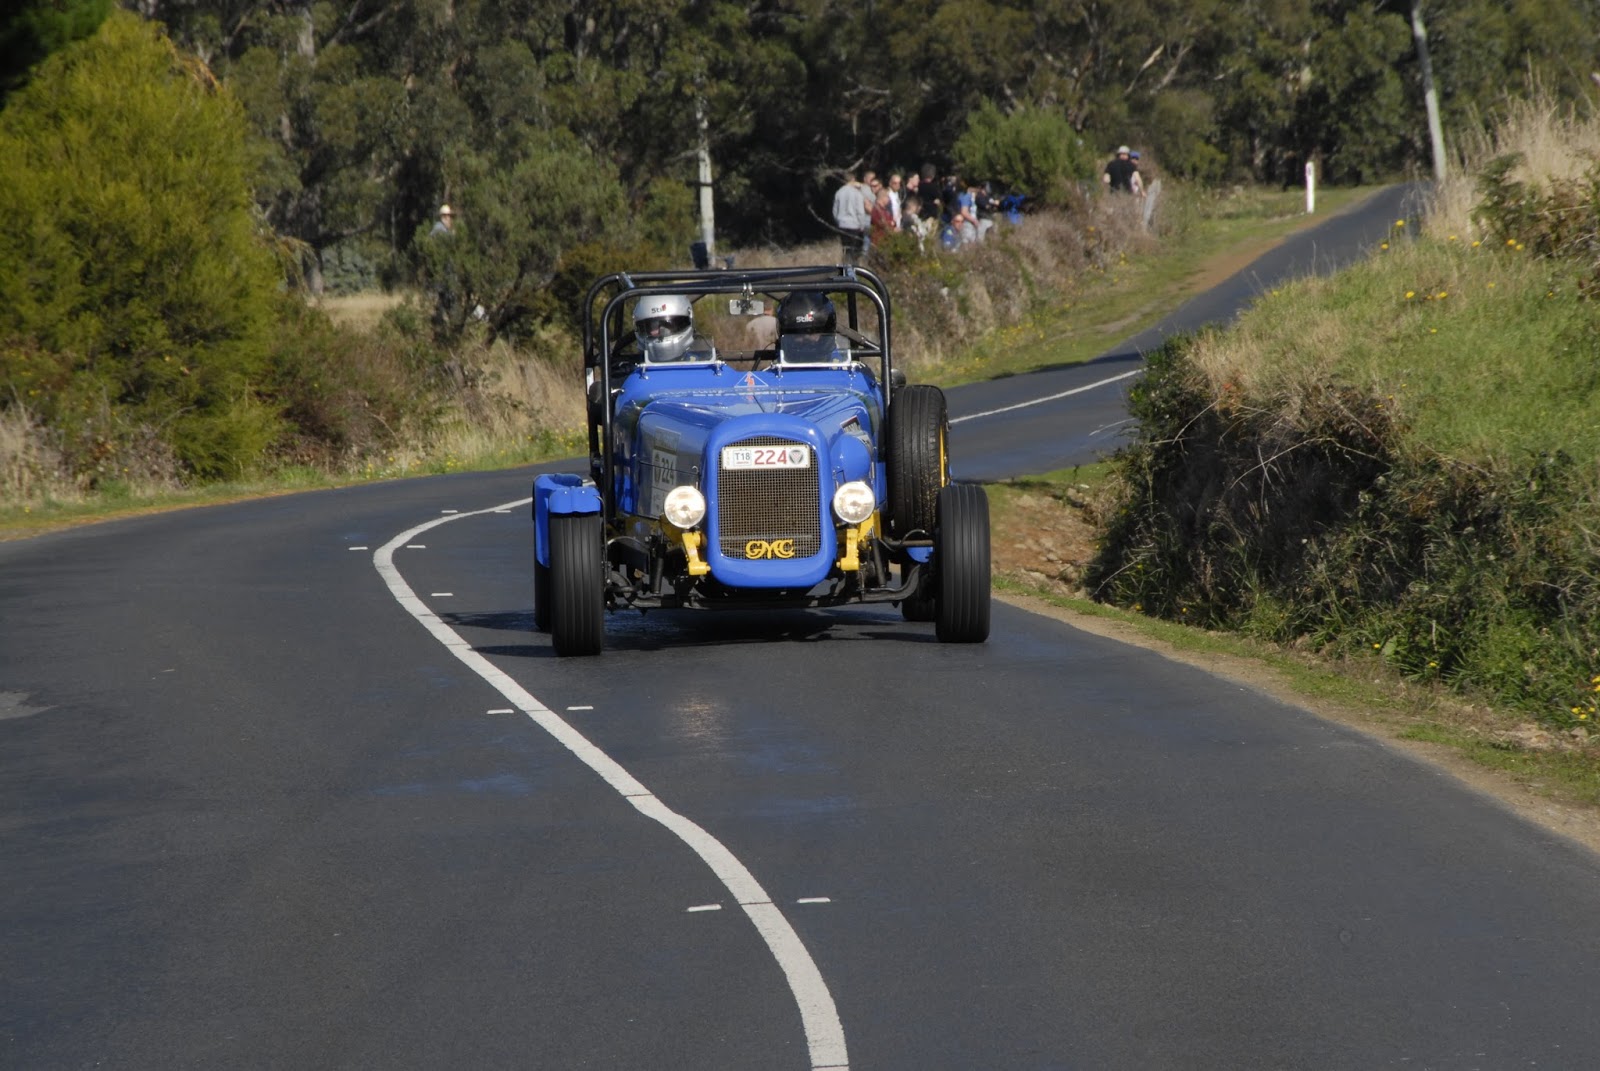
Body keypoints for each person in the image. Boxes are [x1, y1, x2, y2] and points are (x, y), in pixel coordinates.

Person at [775, 290, 840, 362]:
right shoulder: (776, 368)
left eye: (811, 332)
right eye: (799, 333)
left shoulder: (842, 367)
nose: (806, 338)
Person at [634, 294, 700, 362]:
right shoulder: (635, 367)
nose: (662, 331)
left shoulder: (701, 364)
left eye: (668, 325)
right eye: (654, 325)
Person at [831, 170, 872, 264]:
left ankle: (844, 267)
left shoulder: (839, 192)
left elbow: (835, 211)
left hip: (842, 224)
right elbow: (860, 211)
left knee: (845, 249)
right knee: (854, 250)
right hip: (854, 225)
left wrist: (838, 221)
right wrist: (862, 225)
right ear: (853, 180)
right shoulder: (857, 193)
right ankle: (854, 268)